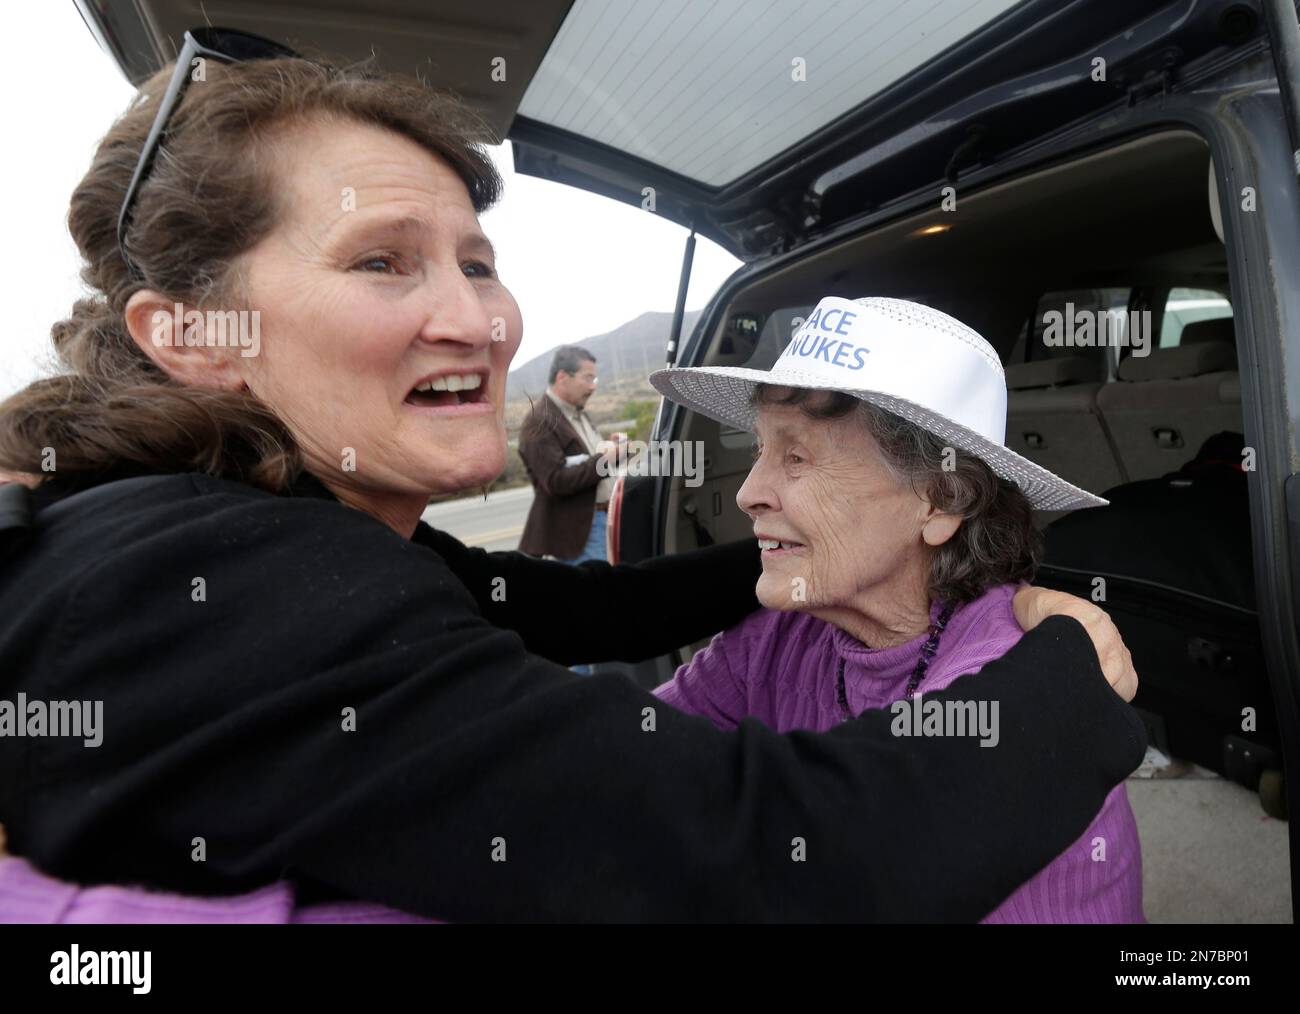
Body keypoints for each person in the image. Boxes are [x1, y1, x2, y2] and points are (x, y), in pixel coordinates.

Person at [0, 34, 1143, 923]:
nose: (483, 318)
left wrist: (816, 553)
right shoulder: (231, 576)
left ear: (940, 503)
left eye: (478, 264)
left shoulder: (246, 531)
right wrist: (1071, 667)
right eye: (383, 261)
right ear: (195, 335)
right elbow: (758, 860)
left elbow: (582, 609)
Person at [651, 296, 1145, 922]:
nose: (749, 493)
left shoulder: (1009, 694)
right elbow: (636, 758)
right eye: (759, 450)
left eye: (797, 457)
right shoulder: (781, 636)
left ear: (939, 502)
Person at [517, 345, 621, 564]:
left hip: (604, 520)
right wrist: (607, 459)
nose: (593, 387)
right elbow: (555, 481)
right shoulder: (540, 421)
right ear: (563, 377)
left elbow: (588, 462)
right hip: (581, 531)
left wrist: (612, 450)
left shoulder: (577, 414)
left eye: (595, 380)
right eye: (588, 378)